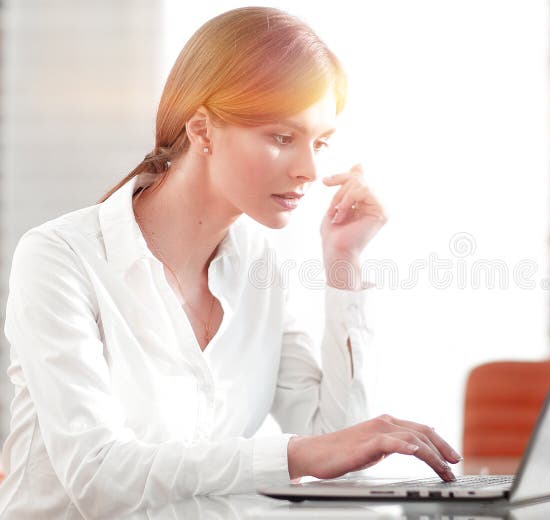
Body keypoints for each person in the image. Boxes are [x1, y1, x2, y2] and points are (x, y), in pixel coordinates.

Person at [0, 7, 460, 518]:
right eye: (282, 138)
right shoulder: (59, 260)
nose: (309, 169)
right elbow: (99, 477)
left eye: (321, 142)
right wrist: (294, 456)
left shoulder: (258, 270)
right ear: (202, 130)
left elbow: (337, 447)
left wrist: (344, 261)